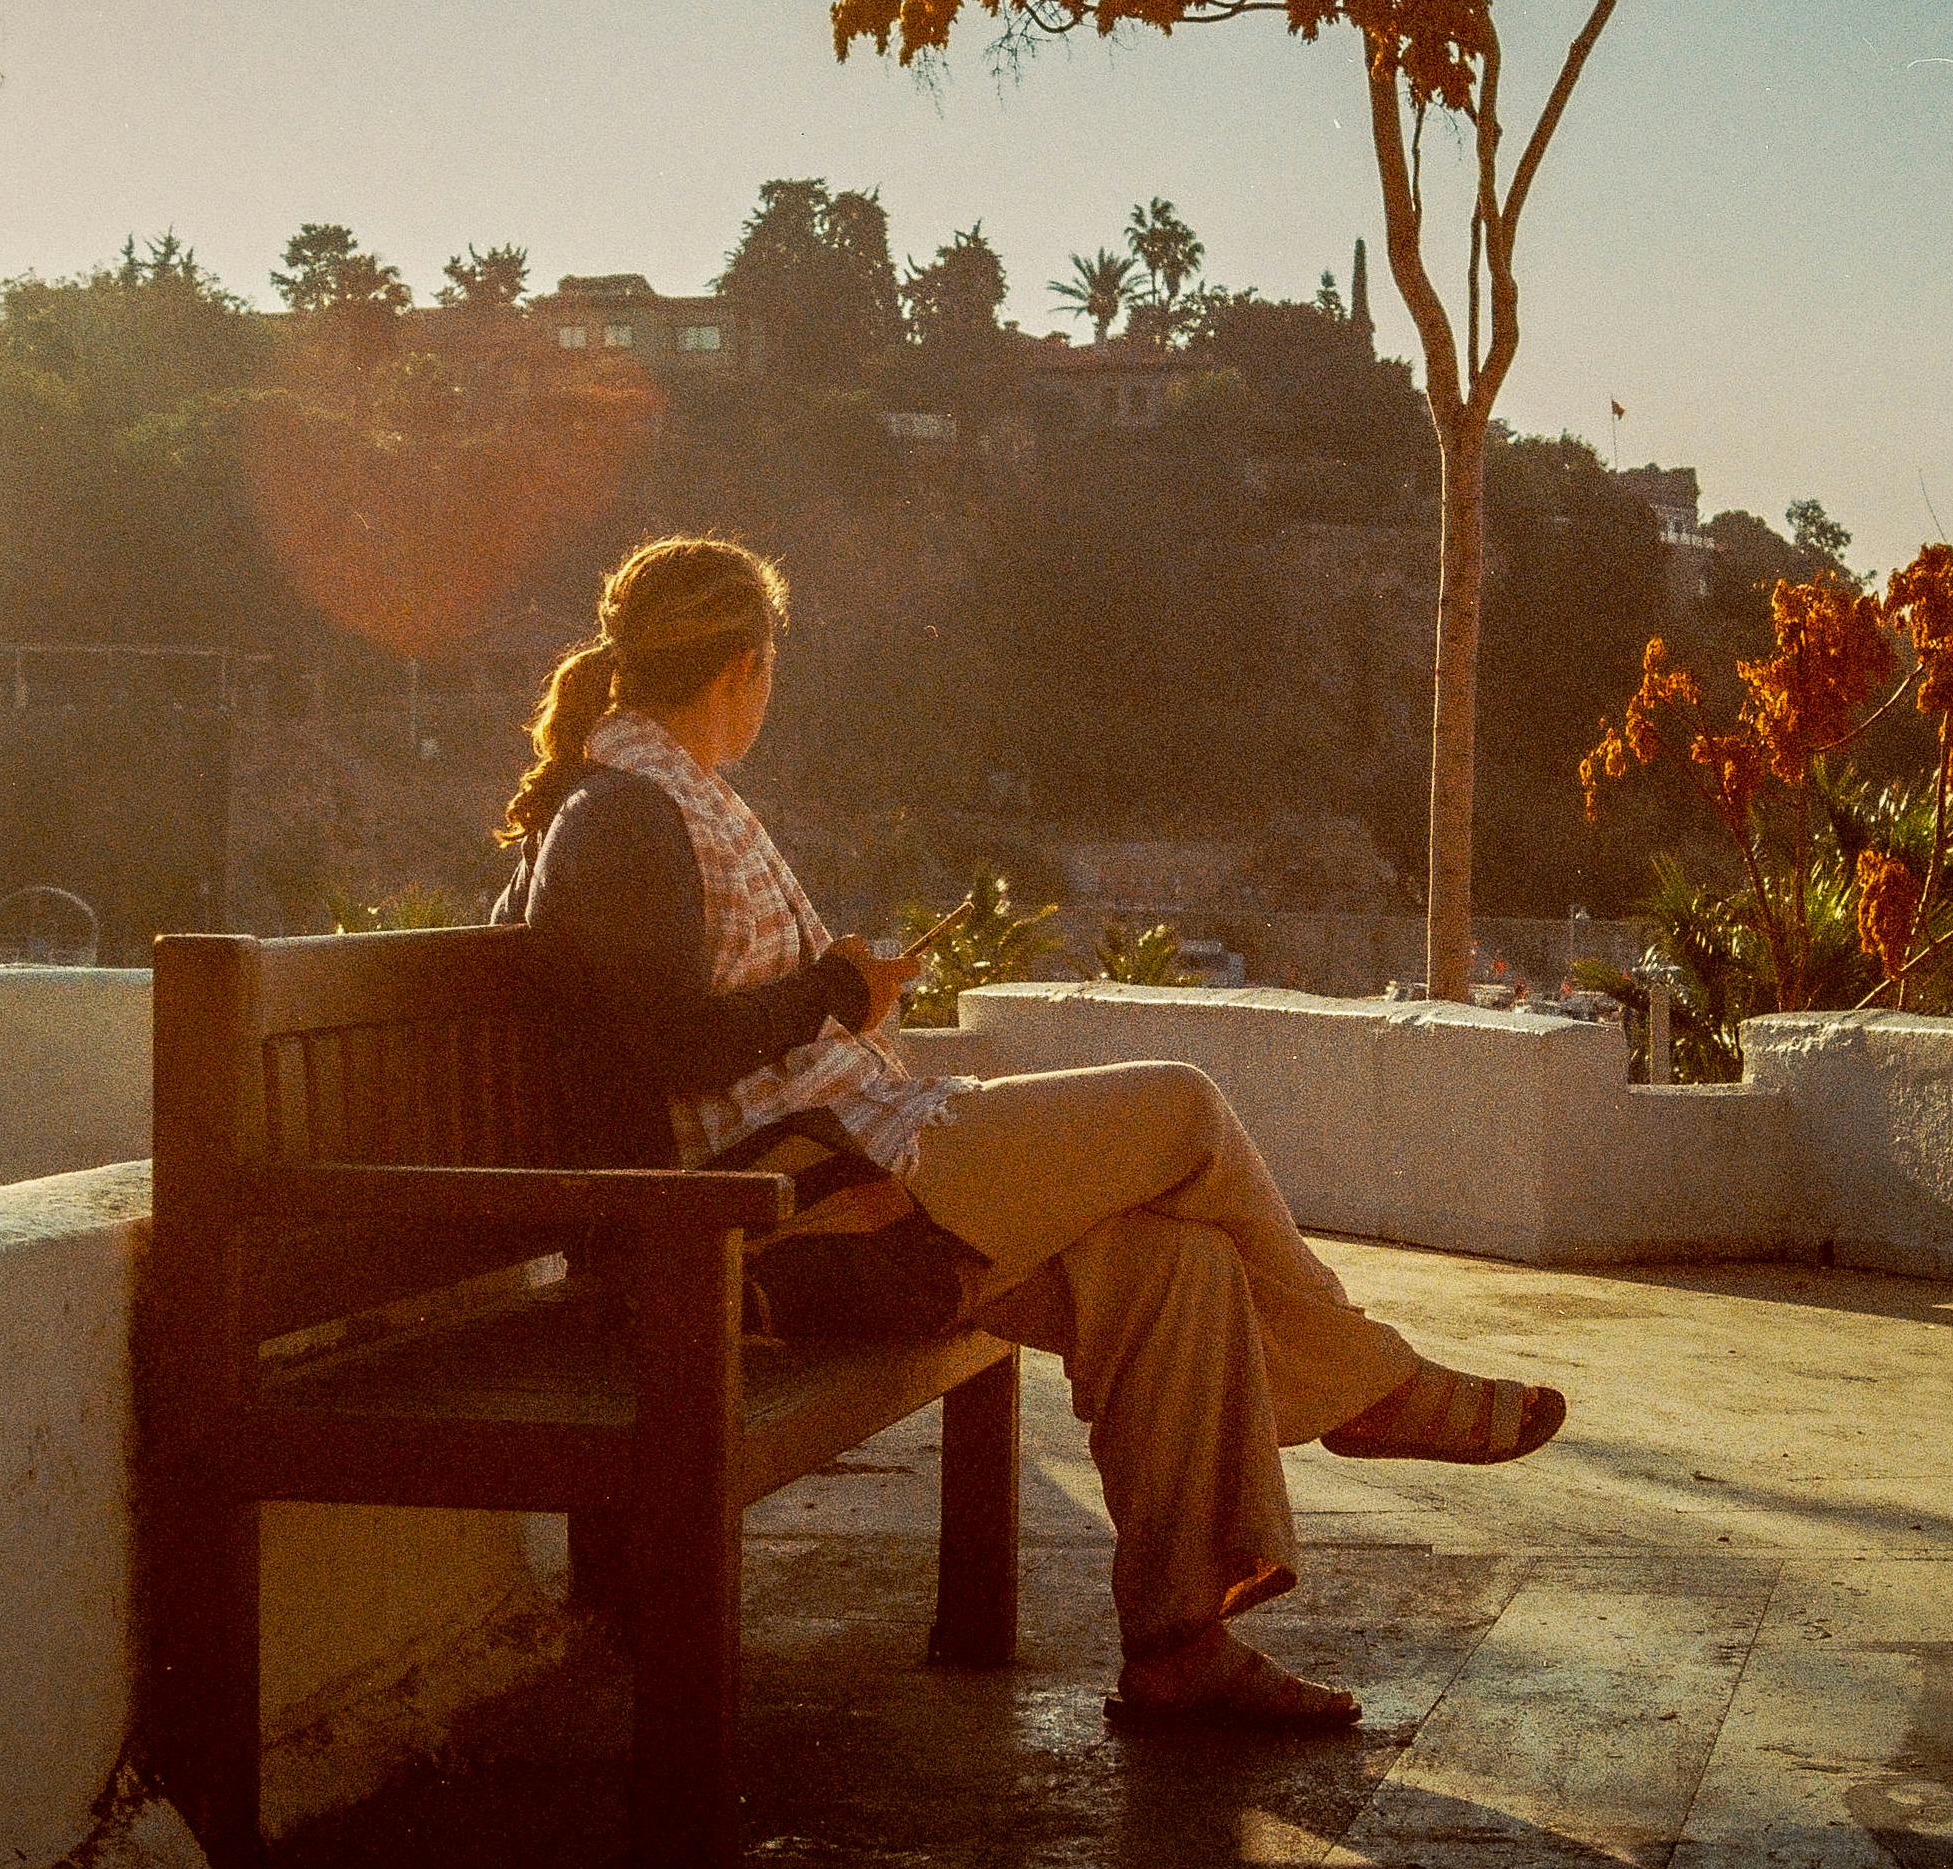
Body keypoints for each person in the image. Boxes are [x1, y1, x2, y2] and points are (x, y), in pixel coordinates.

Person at [492, 535, 1565, 1729]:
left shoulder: (646, 799)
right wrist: (840, 994)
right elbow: (661, 1047)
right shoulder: (624, 820)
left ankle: (1177, 1649)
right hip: (770, 1233)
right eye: (770, 665)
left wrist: (839, 993)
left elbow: (670, 1022)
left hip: (830, 1183)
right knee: (1180, 1105)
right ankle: (1371, 1387)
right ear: (746, 666)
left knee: (1180, 1267)